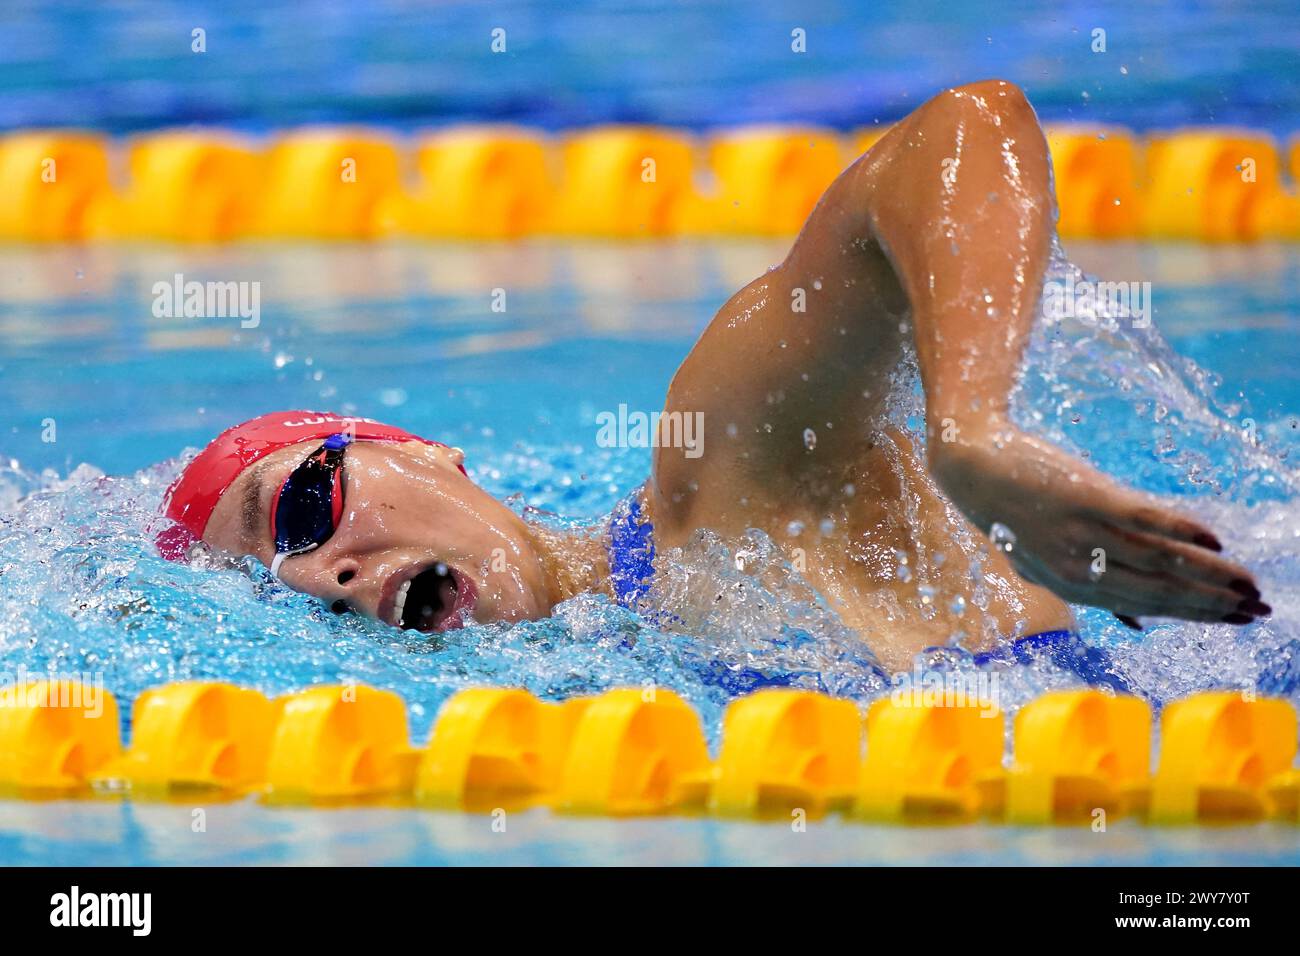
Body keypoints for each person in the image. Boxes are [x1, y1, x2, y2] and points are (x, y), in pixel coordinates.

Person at [159, 80, 1268, 675]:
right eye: (276, 587)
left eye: (304, 505)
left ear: (423, 449)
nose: (323, 580)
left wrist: (971, 430)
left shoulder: (724, 487)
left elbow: (960, 133)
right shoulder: (608, 683)